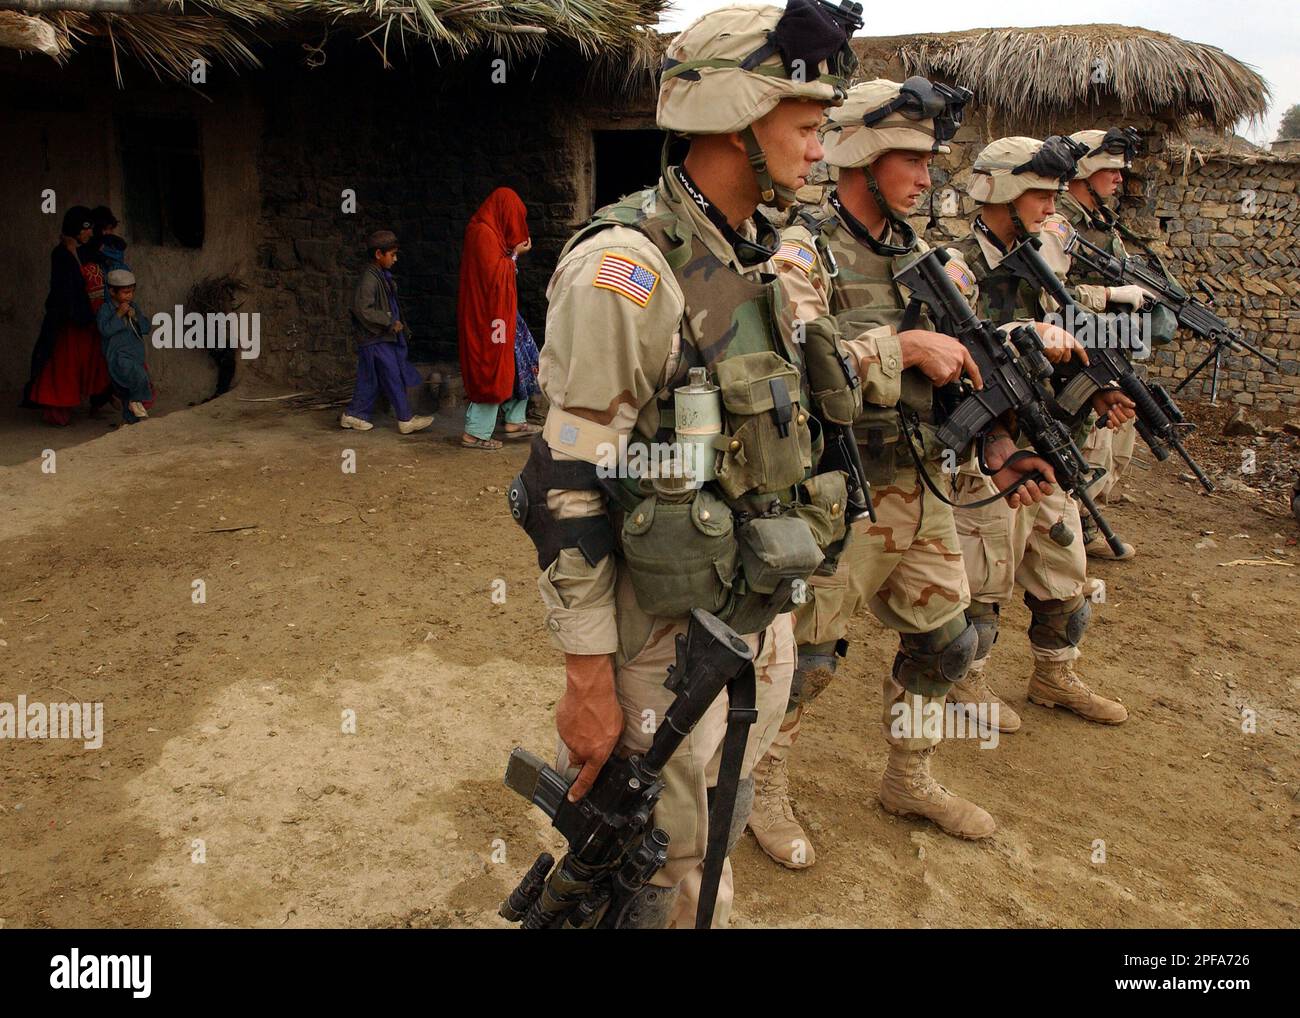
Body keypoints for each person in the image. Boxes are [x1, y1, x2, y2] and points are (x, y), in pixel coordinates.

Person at [511, 0, 860, 926]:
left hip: (753, 613)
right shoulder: (628, 269)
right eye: (808, 126)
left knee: (717, 831)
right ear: (740, 121)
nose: (822, 149)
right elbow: (564, 478)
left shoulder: (760, 258)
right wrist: (586, 673)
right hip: (661, 644)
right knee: (649, 867)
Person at [752, 81, 1068, 864]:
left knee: (948, 644)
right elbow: (785, 369)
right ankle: (764, 787)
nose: (930, 178)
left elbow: (972, 376)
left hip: (922, 487)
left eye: (933, 161)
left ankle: (908, 777)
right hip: (838, 497)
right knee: (807, 662)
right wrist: (902, 349)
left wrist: (1002, 449)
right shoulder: (805, 254)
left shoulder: (934, 263)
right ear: (863, 155)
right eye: (915, 160)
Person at [948, 135, 1136, 730]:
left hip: (1046, 434)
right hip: (991, 445)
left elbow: (1070, 341)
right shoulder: (958, 267)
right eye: (1041, 194)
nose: (1052, 207)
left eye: (1057, 194)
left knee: (1065, 565)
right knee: (984, 573)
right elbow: (953, 359)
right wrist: (1016, 334)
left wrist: (1096, 387)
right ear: (1002, 193)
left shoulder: (1045, 261)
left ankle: (1054, 672)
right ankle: (965, 682)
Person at [1043, 128, 1156, 559]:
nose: (1119, 179)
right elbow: (1054, 291)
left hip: (1105, 344)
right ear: (1085, 170)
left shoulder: (1101, 223)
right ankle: (1075, 532)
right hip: (1074, 350)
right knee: (1083, 444)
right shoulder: (1061, 223)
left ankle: (1083, 523)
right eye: (1110, 168)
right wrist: (1109, 296)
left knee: (1112, 445)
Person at [457, 187, 538, 450]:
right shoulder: (482, 233)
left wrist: (511, 253)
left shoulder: (491, 233)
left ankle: (514, 419)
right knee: (492, 365)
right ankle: (475, 433)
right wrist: (515, 255)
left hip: (501, 314)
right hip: (488, 319)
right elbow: (493, 276)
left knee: (525, 356)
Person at [340, 230, 433, 435]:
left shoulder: (379, 275)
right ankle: (405, 419)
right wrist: (389, 321)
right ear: (378, 255)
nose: (395, 259)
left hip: (378, 338)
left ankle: (353, 415)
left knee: (370, 379)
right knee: (391, 375)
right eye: (392, 255)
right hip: (375, 338)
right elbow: (363, 308)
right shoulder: (370, 278)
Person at [25, 206, 113, 425]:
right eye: (86, 229)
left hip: (87, 318)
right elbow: (66, 288)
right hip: (68, 321)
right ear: (76, 229)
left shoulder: (84, 250)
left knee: (93, 361)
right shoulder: (61, 253)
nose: (90, 233)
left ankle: (98, 399)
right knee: (64, 365)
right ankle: (57, 411)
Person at [97, 269, 154, 424]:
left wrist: (135, 316)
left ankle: (131, 423)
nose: (129, 296)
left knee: (127, 390)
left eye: (131, 292)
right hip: (118, 356)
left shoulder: (133, 306)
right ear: (112, 291)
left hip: (135, 355)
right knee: (139, 378)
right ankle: (135, 402)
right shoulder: (106, 309)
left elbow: (146, 328)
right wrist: (119, 315)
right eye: (125, 292)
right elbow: (105, 330)